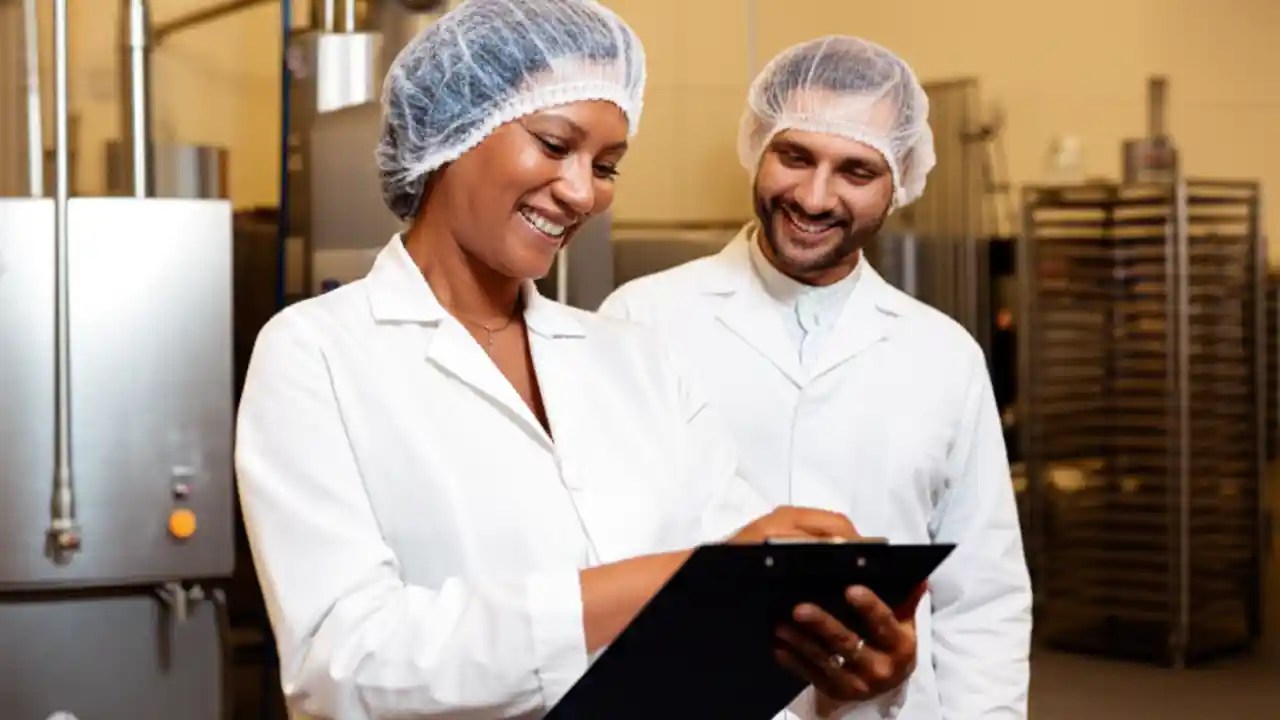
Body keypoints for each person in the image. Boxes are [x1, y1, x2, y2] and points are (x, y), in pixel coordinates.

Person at [235, 3, 910, 718]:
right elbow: (344, 666)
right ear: (456, 126)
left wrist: (838, 668)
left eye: (607, 165)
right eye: (555, 145)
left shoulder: (635, 358)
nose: (584, 192)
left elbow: (738, 616)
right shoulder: (318, 352)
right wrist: (674, 579)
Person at [599, 36, 1034, 719]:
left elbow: (982, 597)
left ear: (899, 182)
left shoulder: (944, 355)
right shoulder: (640, 321)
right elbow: (602, 550)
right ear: (757, 147)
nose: (813, 196)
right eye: (795, 157)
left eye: (856, 171)